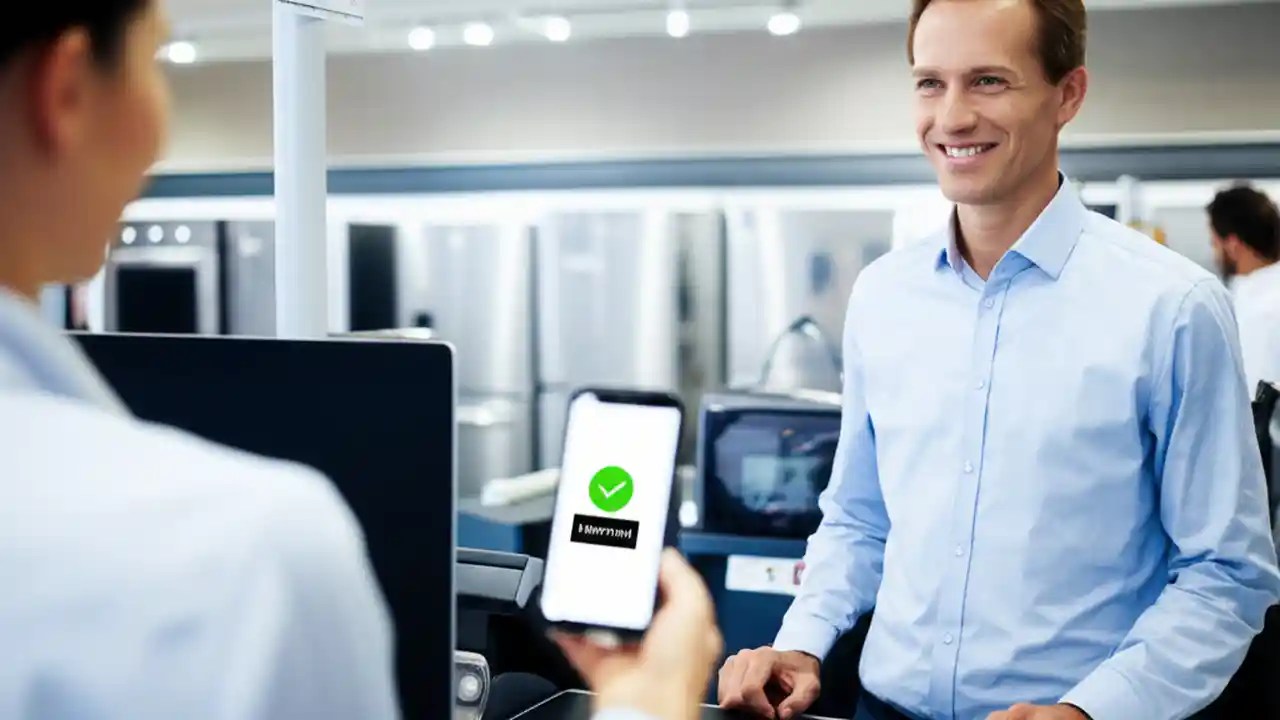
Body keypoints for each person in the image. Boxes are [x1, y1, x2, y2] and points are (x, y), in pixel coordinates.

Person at [0, 3, 721, 720]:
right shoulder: (246, 559)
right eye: (155, 62)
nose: (161, 128)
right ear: (66, 89)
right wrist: (645, 704)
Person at [717, 2, 1280, 720]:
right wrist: (802, 643)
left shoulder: (1172, 307)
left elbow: (1226, 575)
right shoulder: (883, 297)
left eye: (988, 81)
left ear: (1068, 94)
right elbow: (859, 519)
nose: (952, 117)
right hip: (882, 709)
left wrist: (1088, 712)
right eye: (930, 82)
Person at [1207, 184, 1280, 394]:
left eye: (1214, 244)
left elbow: (1250, 400)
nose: (1214, 254)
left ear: (1232, 245)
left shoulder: (1257, 311)